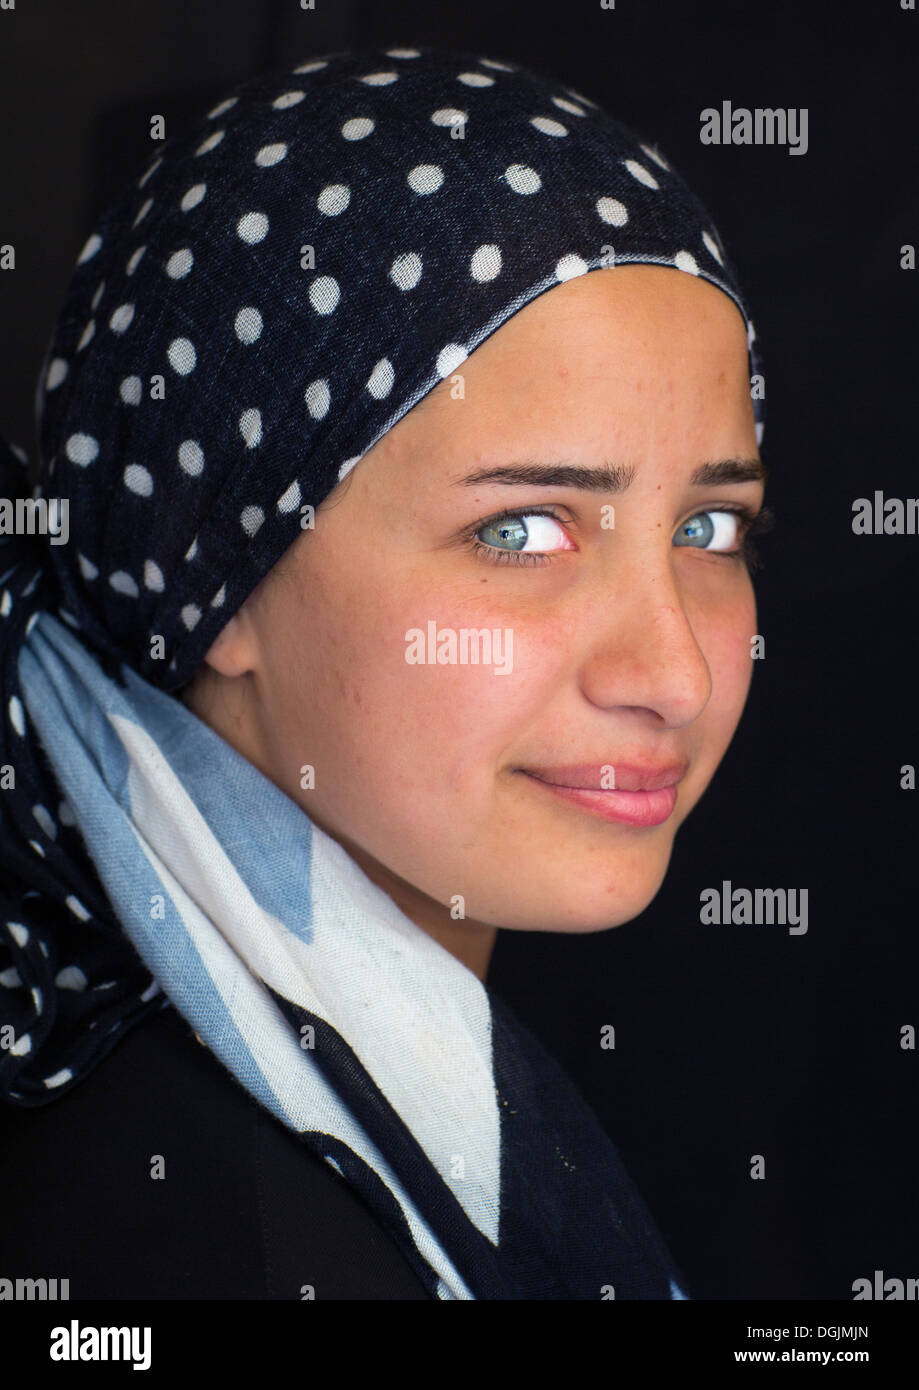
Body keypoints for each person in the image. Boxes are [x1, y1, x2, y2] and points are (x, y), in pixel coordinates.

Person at [0, 43, 769, 1300]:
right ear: (218, 569)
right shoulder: (200, 1232)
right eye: (522, 531)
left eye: (710, 530)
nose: (673, 670)